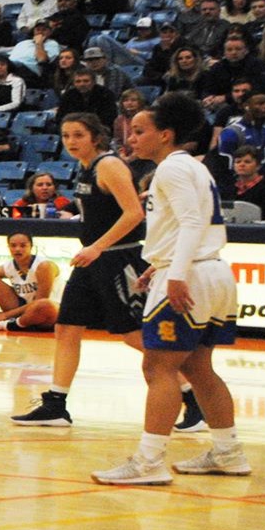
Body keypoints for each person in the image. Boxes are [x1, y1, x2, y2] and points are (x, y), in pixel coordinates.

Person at [93, 93, 248, 484]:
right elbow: (187, 226)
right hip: (211, 270)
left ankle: (148, 462)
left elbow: (193, 223)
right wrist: (157, 267)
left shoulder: (171, 170)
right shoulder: (194, 168)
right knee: (197, 365)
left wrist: (175, 274)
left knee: (158, 365)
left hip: (191, 272)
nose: (132, 138)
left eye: (141, 131)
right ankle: (229, 453)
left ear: (166, 135)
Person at [13, 113, 175, 429]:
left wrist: (97, 246)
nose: (71, 142)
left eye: (78, 135)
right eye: (66, 136)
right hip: (92, 261)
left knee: (135, 335)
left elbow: (133, 214)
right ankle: (56, 404)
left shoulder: (109, 165)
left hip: (117, 258)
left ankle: (190, 395)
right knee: (66, 327)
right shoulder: (86, 168)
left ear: (95, 137)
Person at [223, 151, 265, 221]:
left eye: (247, 162)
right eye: (238, 162)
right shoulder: (228, 189)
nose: (241, 164)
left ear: (258, 166)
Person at [11, 172, 78, 219]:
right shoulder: (23, 202)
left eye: (49, 185)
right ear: (31, 188)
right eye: (40, 185)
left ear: (54, 188)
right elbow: (13, 215)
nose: (45, 188)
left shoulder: (62, 201)